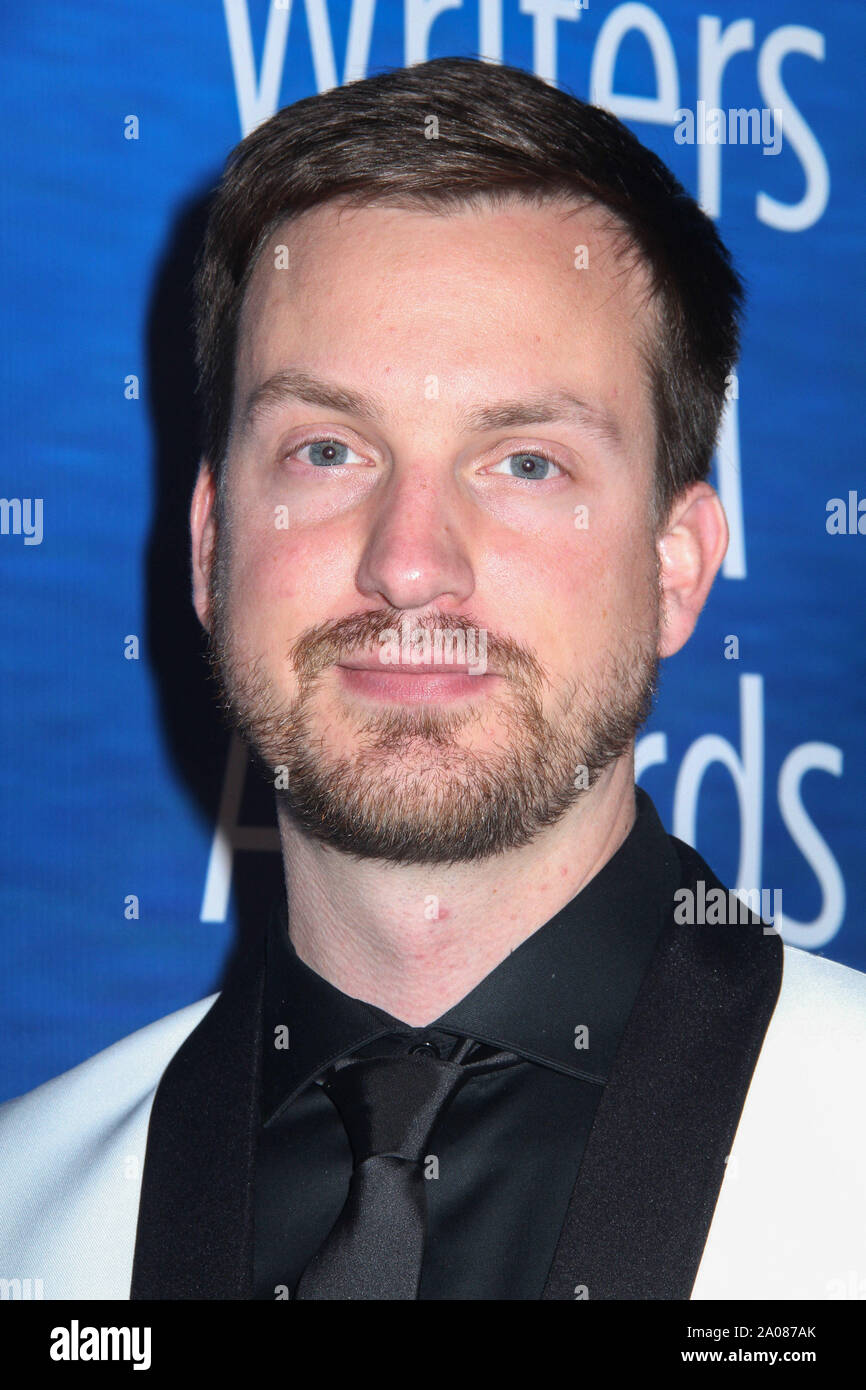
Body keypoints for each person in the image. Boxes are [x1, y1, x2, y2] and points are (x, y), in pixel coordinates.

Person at [1, 55, 863, 1303]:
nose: (409, 566)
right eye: (328, 448)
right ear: (207, 546)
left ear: (675, 567)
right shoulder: (26, 1218)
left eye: (523, 463)